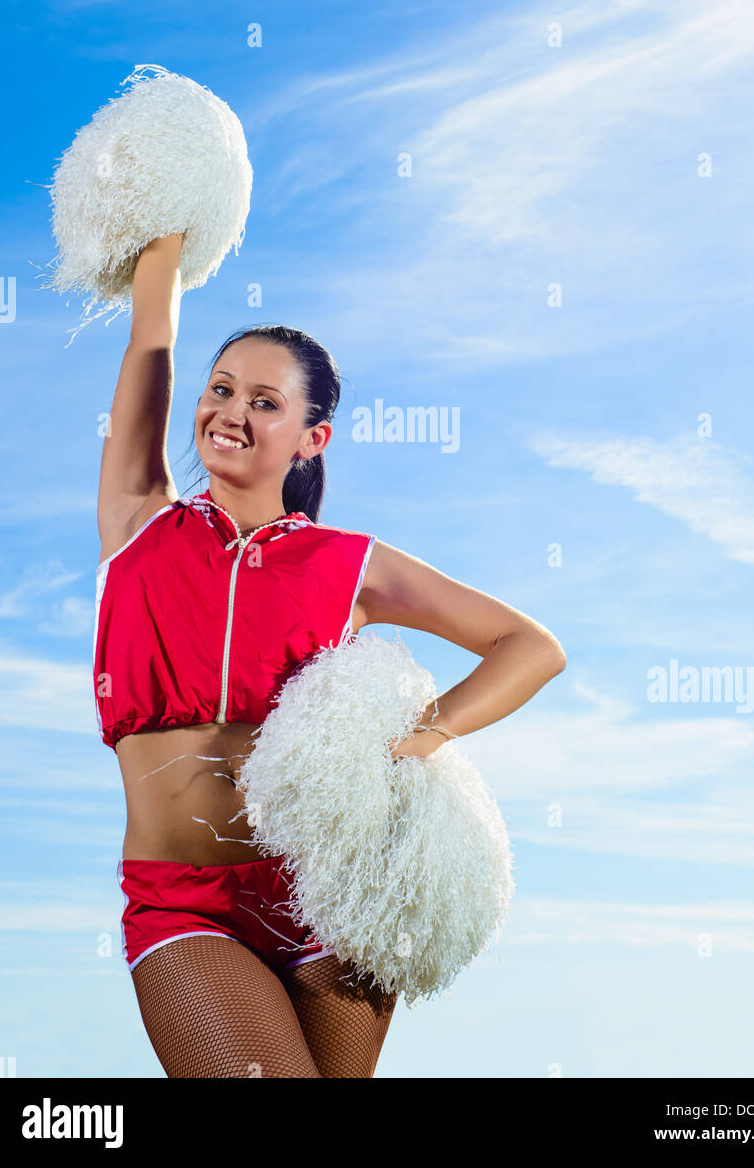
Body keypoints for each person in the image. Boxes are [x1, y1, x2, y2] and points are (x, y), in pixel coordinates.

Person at [96, 231, 566, 1079]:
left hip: (334, 898)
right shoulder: (138, 523)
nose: (229, 410)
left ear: (313, 438)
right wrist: (167, 219)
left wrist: (425, 734)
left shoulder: (350, 562)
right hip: (183, 901)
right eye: (221, 388)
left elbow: (528, 648)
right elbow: (150, 342)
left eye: (264, 402)